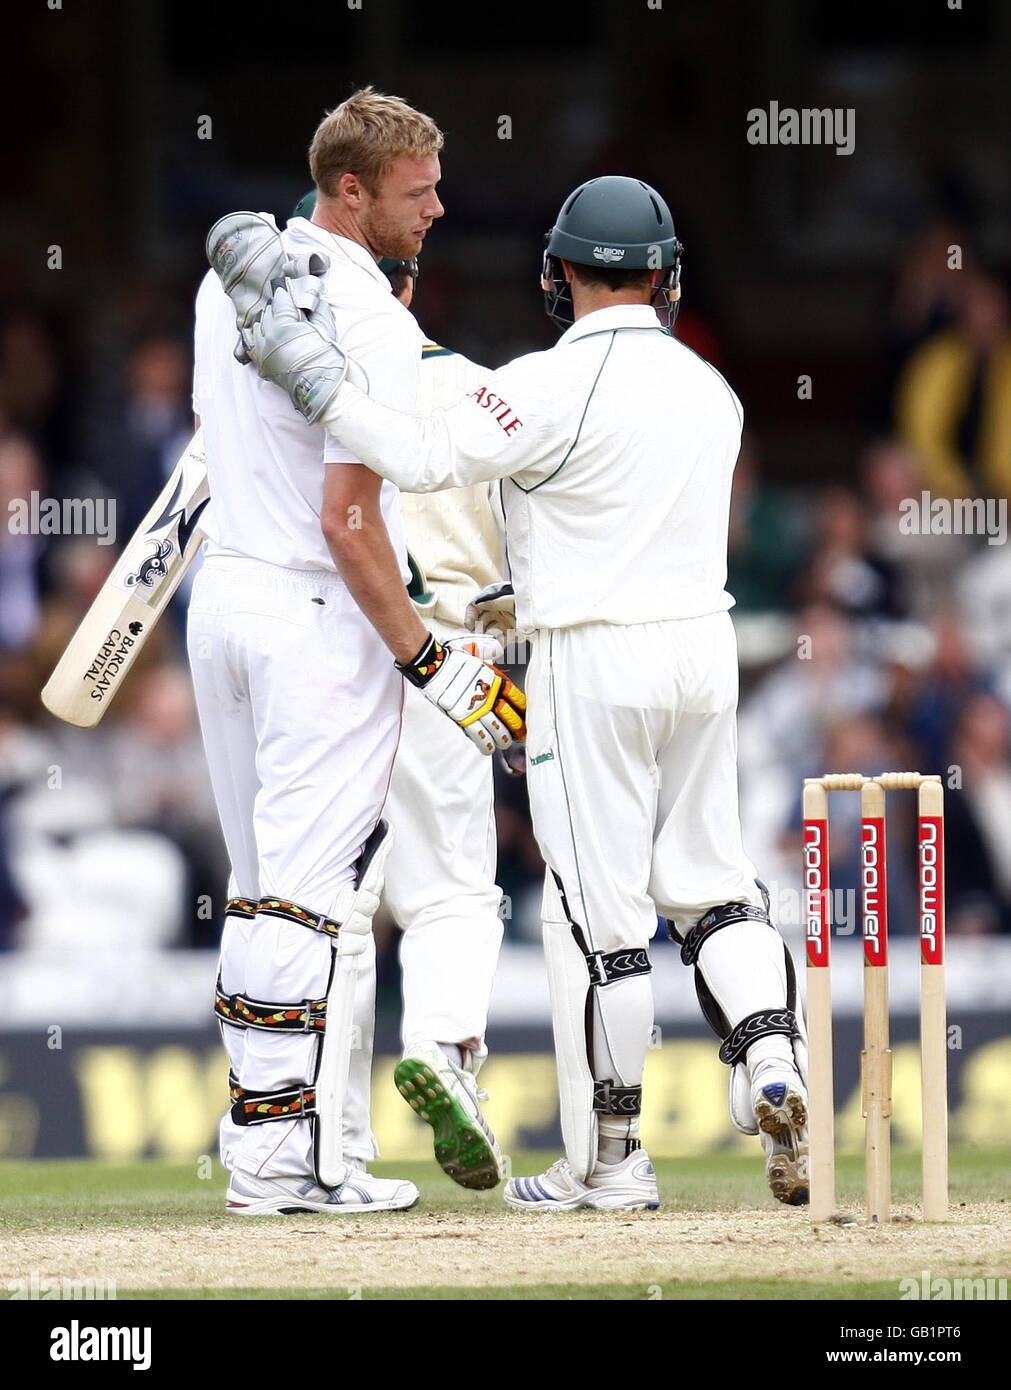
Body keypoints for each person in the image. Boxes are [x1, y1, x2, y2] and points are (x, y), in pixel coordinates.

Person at [211, 175, 808, 1212]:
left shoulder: (546, 382)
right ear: (664, 275)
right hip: (703, 652)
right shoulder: (717, 390)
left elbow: (417, 454)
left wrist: (307, 376)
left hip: (588, 656)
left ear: (561, 272)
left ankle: (610, 1160)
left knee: (597, 913)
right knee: (714, 882)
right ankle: (773, 1063)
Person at [190, 87, 523, 1217]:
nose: (438, 209)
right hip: (316, 615)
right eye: (417, 192)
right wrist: (427, 657)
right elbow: (347, 519)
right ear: (351, 189)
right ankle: (278, 1162)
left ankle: (265, 1145)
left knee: (259, 891)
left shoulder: (218, 287)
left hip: (222, 595)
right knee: (303, 899)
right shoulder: (376, 318)